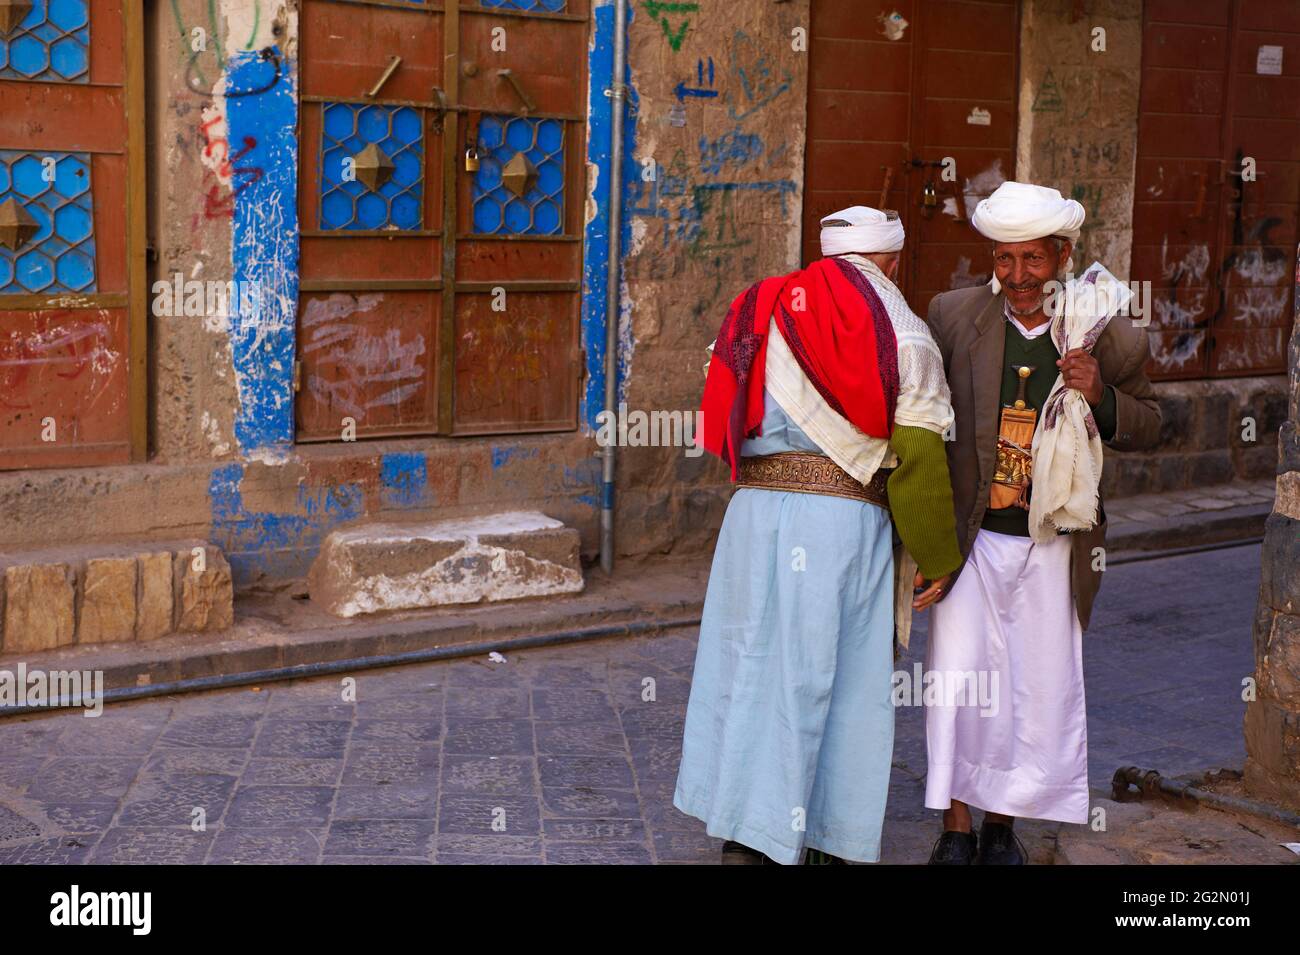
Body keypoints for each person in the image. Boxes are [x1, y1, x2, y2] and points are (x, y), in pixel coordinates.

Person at [674, 206, 963, 864]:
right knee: (837, 683)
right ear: (890, 261)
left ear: (828, 256)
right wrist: (938, 556)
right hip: (841, 526)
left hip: (750, 520)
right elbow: (917, 463)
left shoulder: (757, 305)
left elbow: (719, 410)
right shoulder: (902, 328)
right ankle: (828, 839)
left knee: (749, 670)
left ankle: (746, 836)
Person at [923, 181, 1162, 865]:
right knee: (960, 683)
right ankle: (958, 824)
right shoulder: (952, 315)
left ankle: (1004, 823)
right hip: (972, 538)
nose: (1018, 277)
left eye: (1032, 260)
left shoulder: (1102, 329)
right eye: (1005, 260)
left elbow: (1151, 423)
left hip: (1053, 541)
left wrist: (1100, 393)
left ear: (1060, 255)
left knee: (1034, 685)